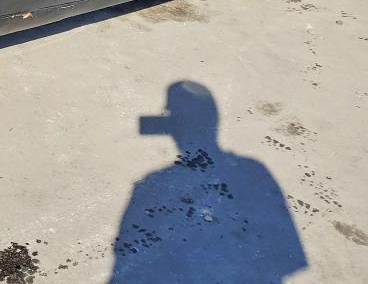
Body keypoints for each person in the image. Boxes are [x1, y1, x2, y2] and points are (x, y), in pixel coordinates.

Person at [109, 81, 306, 283]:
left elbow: (126, 270)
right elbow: (287, 257)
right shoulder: (252, 173)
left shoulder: (151, 187)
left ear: (172, 127)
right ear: (213, 122)